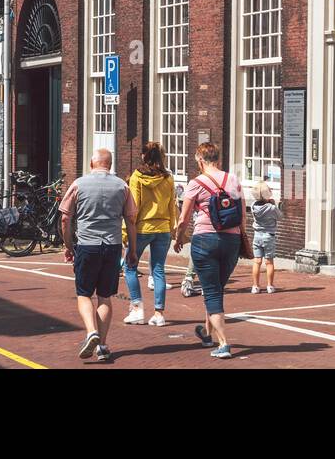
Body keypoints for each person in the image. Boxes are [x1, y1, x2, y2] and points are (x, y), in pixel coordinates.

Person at [59, 149, 138, 363]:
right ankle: (102, 346)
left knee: (84, 293)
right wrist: (132, 250)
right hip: (112, 246)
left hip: (87, 244)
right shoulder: (122, 186)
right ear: (110, 165)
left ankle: (91, 331)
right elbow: (131, 220)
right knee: (105, 296)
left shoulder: (79, 184)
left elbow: (65, 219)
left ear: (92, 164)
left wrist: (68, 246)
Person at [175, 142, 246, 360]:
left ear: (199, 160)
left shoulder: (196, 183)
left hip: (205, 239)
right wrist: (242, 241)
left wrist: (178, 239)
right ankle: (207, 334)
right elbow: (242, 214)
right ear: (218, 159)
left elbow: (184, 218)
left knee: (212, 292)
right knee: (215, 288)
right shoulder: (233, 179)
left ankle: (223, 343)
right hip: (231, 241)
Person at [122, 142, 177, 327]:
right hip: (162, 228)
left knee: (129, 267)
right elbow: (172, 206)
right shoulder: (168, 178)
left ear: (144, 156)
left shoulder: (137, 177)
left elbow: (132, 209)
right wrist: (172, 228)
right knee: (159, 270)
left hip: (142, 229)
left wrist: (125, 233)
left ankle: (137, 309)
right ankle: (159, 314)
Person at [250, 179, 281, 294]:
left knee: (257, 261)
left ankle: (255, 286)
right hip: (269, 236)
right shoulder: (271, 208)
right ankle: (270, 286)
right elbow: (280, 217)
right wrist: (274, 205)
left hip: (257, 235)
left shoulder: (253, 206)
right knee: (269, 262)